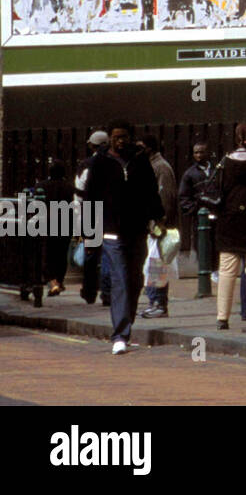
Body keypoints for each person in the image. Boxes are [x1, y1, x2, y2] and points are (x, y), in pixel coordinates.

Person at [81, 120, 164, 354]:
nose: (120, 141)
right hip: (111, 231)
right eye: (116, 137)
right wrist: (90, 235)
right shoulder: (100, 162)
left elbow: (151, 191)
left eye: (124, 136)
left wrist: (158, 217)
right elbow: (90, 199)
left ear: (130, 137)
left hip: (137, 230)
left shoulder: (140, 160)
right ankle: (120, 334)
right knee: (120, 280)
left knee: (135, 280)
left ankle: (126, 321)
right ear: (110, 138)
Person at [210, 122, 246, 330]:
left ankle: (222, 317)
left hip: (229, 220)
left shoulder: (226, 161)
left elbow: (219, 189)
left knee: (227, 271)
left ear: (237, 138)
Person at [139, 134, 178, 318]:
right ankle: (155, 301)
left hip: (158, 224)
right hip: (152, 223)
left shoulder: (161, 167)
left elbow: (165, 197)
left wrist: (160, 222)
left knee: (157, 263)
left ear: (149, 148)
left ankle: (159, 303)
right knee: (153, 264)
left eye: (141, 147)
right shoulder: (151, 166)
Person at [75, 130, 111, 306]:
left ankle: (89, 291)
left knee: (91, 254)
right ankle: (107, 292)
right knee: (109, 254)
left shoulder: (86, 165)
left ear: (92, 145)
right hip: (110, 214)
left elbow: (79, 192)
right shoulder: (115, 163)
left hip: (90, 213)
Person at [36, 160, 75, 297]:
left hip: (48, 223)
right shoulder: (69, 187)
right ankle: (59, 280)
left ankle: (53, 282)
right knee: (62, 254)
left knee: (48, 254)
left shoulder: (41, 186)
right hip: (65, 223)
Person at [178, 140, 216, 256]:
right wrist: (195, 209)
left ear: (208, 153)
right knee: (201, 249)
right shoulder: (189, 174)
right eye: (196, 152)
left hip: (217, 217)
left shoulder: (217, 171)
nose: (199, 155)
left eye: (201, 152)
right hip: (199, 218)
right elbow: (183, 198)